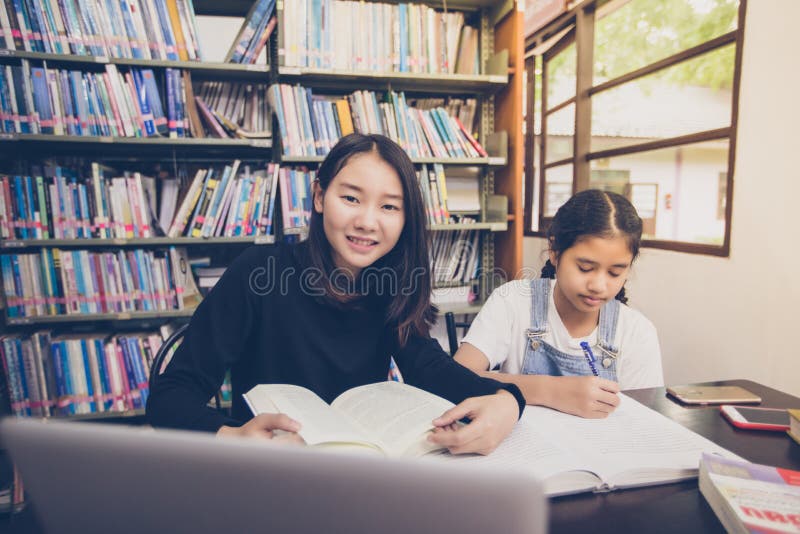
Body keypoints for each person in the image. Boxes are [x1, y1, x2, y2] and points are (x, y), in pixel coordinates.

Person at [147, 133, 524, 455]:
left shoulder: (390, 285)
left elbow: (431, 369)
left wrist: (509, 402)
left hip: (356, 472)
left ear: (406, 219)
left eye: (389, 206)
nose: (367, 221)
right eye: (351, 199)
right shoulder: (258, 272)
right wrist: (232, 437)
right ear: (318, 197)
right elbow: (170, 396)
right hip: (271, 471)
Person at [454, 189, 663, 419]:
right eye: (585, 268)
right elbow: (457, 375)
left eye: (615, 272)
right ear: (554, 251)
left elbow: (642, 420)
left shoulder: (637, 332)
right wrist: (551, 391)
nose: (598, 285)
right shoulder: (513, 301)